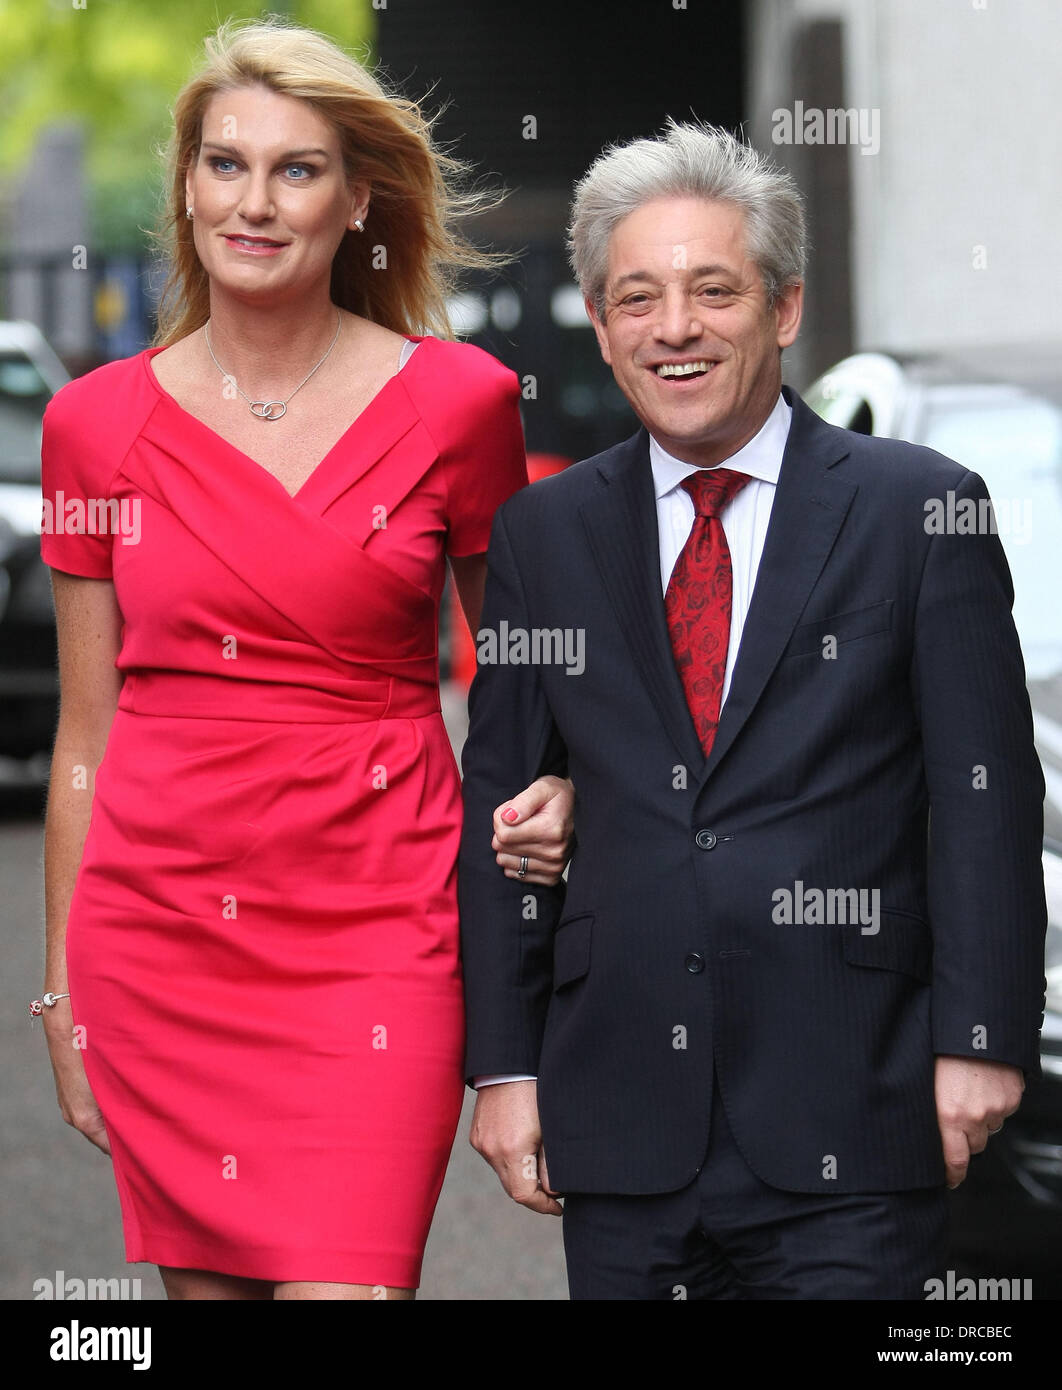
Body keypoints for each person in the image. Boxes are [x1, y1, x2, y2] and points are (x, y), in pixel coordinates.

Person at [459, 120, 1047, 1299]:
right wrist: (506, 1067)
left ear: (783, 308)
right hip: (624, 1119)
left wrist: (980, 1041)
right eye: (637, 298)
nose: (673, 327)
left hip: (858, 1111)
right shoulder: (543, 534)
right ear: (602, 324)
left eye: (713, 290)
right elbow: (504, 807)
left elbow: (983, 800)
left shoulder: (920, 511)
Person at [37, 16, 572, 1302]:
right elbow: (84, 736)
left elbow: (522, 685)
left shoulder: (461, 403)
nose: (255, 203)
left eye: (296, 170)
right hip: (161, 940)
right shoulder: (91, 426)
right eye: (225, 164)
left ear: (358, 197)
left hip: (381, 932)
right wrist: (62, 989)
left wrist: (563, 790)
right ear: (185, 186)